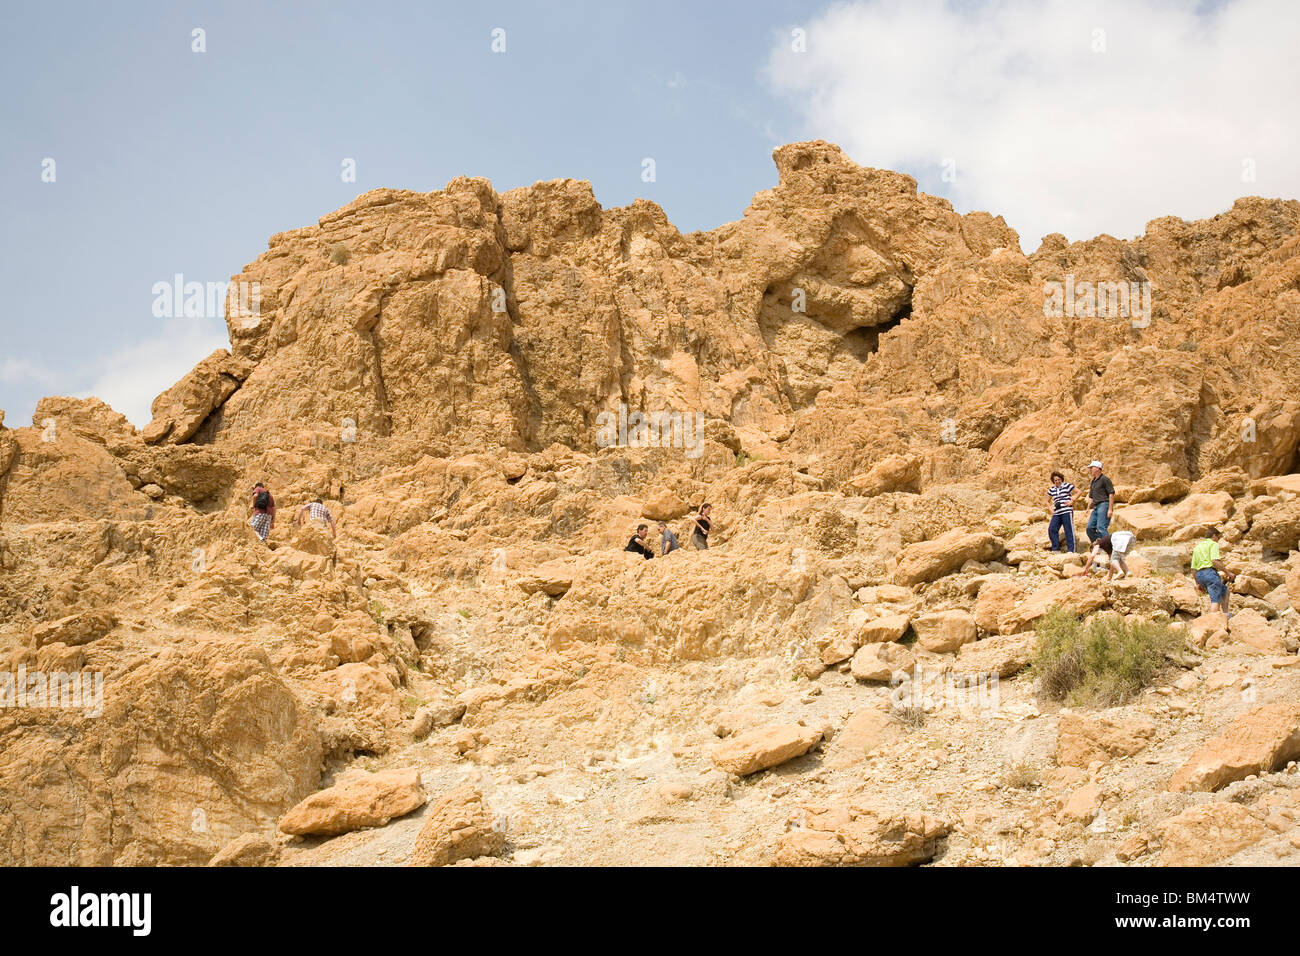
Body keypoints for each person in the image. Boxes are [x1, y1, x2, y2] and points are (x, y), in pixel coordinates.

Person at [1191, 527, 1235, 615]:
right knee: (1215, 600)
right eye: (1218, 538)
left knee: (1225, 590)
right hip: (1210, 573)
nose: (1218, 540)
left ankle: (1226, 614)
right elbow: (1214, 561)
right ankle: (1213, 621)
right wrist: (1228, 572)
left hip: (1200, 575)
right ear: (1214, 536)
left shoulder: (1197, 548)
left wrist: (1198, 583)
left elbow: (1193, 569)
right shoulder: (1213, 544)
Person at [1045, 471, 1079, 553]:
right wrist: (1051, 510)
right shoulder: (1052, 489)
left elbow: (1079, 492)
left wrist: (1072, 501)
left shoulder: (1067, 486)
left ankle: (1071, 550)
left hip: (1066, 511)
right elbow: (1047, 501)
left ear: (1062, 479)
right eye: (1055, 480)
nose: (1057, 481)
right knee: (1052, 529)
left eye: (1059, 479)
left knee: (1068, 530)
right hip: (1057, 512)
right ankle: (1056, 549)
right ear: (1053, 481)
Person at [1084, 460, 1115, 544]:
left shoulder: (1105, 479)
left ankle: (1109, 547)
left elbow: (1111, 493)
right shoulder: (1093, 481)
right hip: (1096, 507)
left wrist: (1110, 509)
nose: (1090, 470)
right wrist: (1088, 508)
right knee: (1089, 528)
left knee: (1101, 527)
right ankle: (1098, 545)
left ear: (1098, 468)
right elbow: (1091, 496)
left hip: (1104, 505)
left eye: (1091, 468)